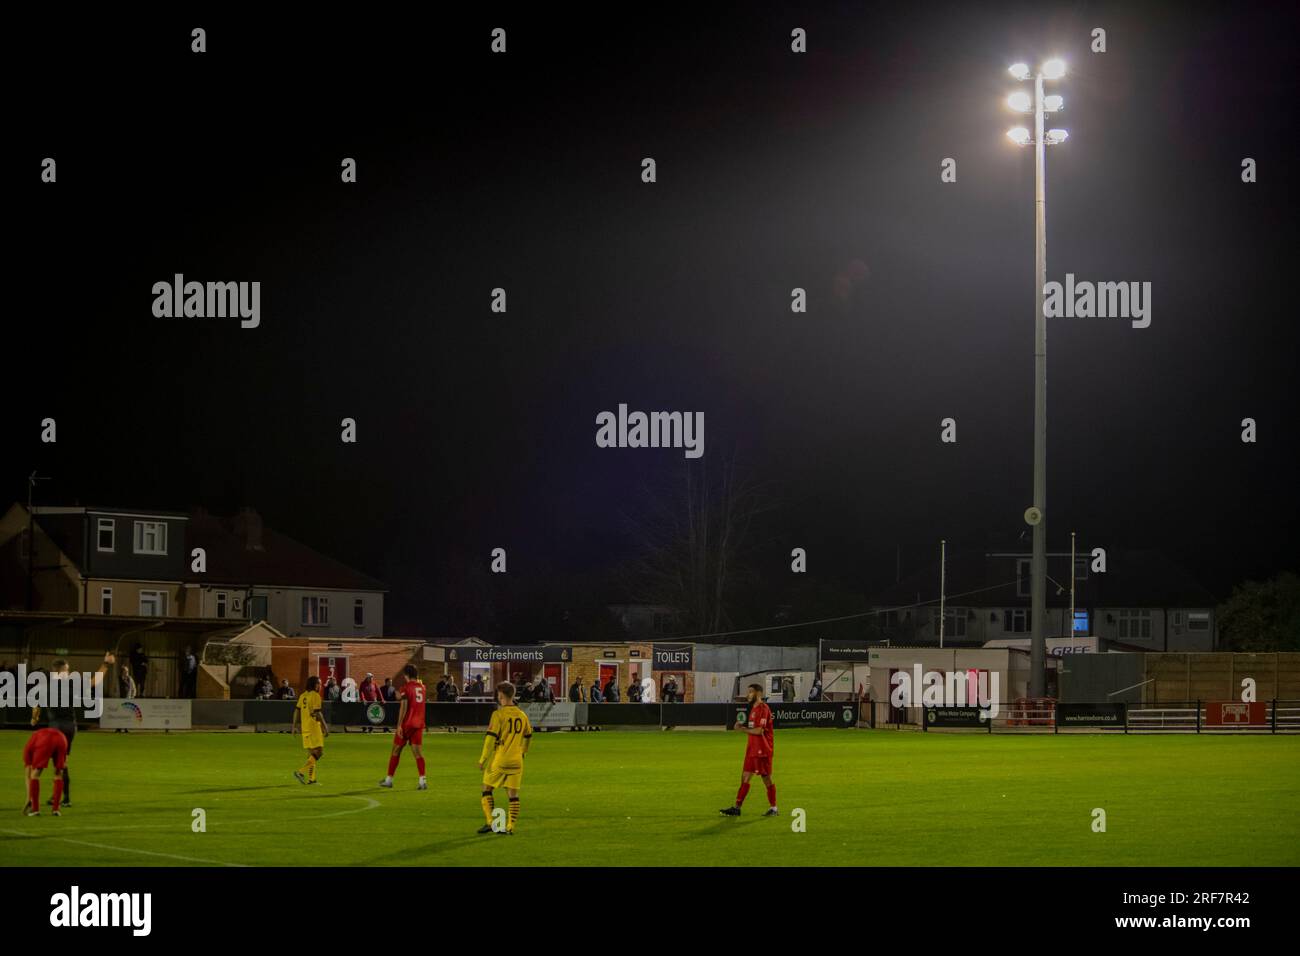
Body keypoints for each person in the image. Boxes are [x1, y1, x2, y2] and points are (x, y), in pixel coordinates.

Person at [477, 682, 532, 835]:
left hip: (500, 759)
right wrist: (523, 752)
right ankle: (510, 826)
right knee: (513, 795)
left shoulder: (498, 714)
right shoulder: (522, 715)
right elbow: (528, 736)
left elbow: (489, 739)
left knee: (486, 788)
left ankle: (490, 822)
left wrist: (483, 759)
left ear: (501, 695)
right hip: (517, 761)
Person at [720, 683, 778, 818]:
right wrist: (742, 726)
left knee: (766, 778)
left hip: (762, 750)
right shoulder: (753, 709)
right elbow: (753, 728)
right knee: (745, 777)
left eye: (750, 692)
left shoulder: (764, 708)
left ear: (758, 694)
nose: (748, 695)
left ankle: (774, 808)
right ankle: (737, 808)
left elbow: (759, 731)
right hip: (752, 749)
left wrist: (742, 729)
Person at [32, 660, 78, 807]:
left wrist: (34, 719)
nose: (68, 673)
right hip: (71, 727)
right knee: (62, 763)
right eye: (66, 670)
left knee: (43, 763)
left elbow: (36, 704)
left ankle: (35, 800)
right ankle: (63, 797)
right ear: (60, 671)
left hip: (56, 728)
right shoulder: (70, 685)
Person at [380, 664, 429, 790]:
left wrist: (399, 725)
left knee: (396, 750)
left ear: (406, 675)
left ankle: (389, 780)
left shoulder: (406, 688)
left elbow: (404, 706)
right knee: (418, 753)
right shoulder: (423, 688)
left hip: (407, 724)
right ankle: (422, 780)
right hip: (418, 724)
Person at [22, 726, 69, 816]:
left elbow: (28, 776)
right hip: (62, 738)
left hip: (46, 740)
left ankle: (35, 810)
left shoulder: (27, 750)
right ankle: (56, 810)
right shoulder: (35, 736)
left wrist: (28, 798)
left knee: (34, 775)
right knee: (58, 773)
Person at [291, 676, 329, 784]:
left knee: (312, 754)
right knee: (319, 752)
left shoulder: (303, 696)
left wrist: (293, 726)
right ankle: (301, 772)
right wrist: (325, 726)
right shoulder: (315, 695)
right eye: (319, 684)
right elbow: (318, 713)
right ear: (315, 685)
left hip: (305, 728)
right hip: (313, 727)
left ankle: (312, 779)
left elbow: (296, 711)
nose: (320, 686)